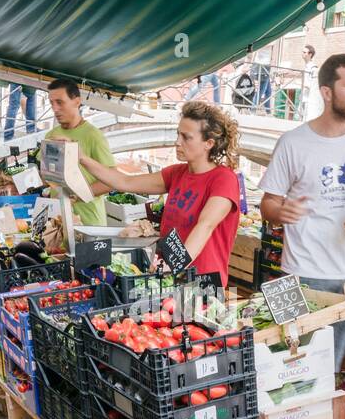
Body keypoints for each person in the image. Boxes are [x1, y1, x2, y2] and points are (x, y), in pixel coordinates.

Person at [260, 53, 345, 368]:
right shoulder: (293, 143)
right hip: (300, 274)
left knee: (330, 367)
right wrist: (281, 212)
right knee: (289, 366)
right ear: (327, 92)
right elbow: (267, 203)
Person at [79, 100, 242, 285]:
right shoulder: (176, 174)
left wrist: (174, 266)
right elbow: (123, 182)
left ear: (209, 143)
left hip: (201, 283)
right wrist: (82, 158)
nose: (177, 142)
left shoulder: (224, 179)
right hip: (166, 277)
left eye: (186, 137)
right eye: (178, 134)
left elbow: (205, 226)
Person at [44, 78, 114, 225]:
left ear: (76, 101)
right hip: (59, 223)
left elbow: (111, 182)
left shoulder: (93, 136)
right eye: (52, 103)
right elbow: (47, 175)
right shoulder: (51, 136)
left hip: (90, 224)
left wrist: (75, 196)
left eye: (60, 102)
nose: (55, 109)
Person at [300, 46, 322, 121]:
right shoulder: (307, 66)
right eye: (302, 52)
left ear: (310, 54)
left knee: (306, 120)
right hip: (304, 97)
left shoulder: (313, 67)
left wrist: (305, 85)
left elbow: (314, 85)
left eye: (304, 52)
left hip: (309, 99)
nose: (302, 54)